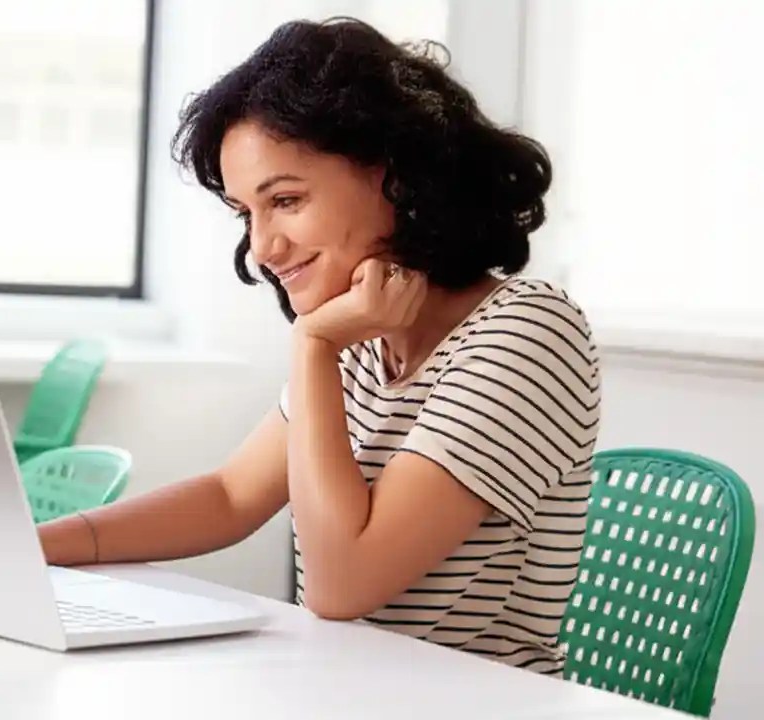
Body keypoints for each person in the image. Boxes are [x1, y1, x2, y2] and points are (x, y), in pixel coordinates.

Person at [37, 17, 600, 676]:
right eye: (249, 213)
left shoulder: (527, 333)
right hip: (341, 693)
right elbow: (229, 496)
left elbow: (343, 584)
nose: (263, 247)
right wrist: (33, 546)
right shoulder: (364, 337)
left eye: (287, 200)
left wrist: (311, 344)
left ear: (397, 173)